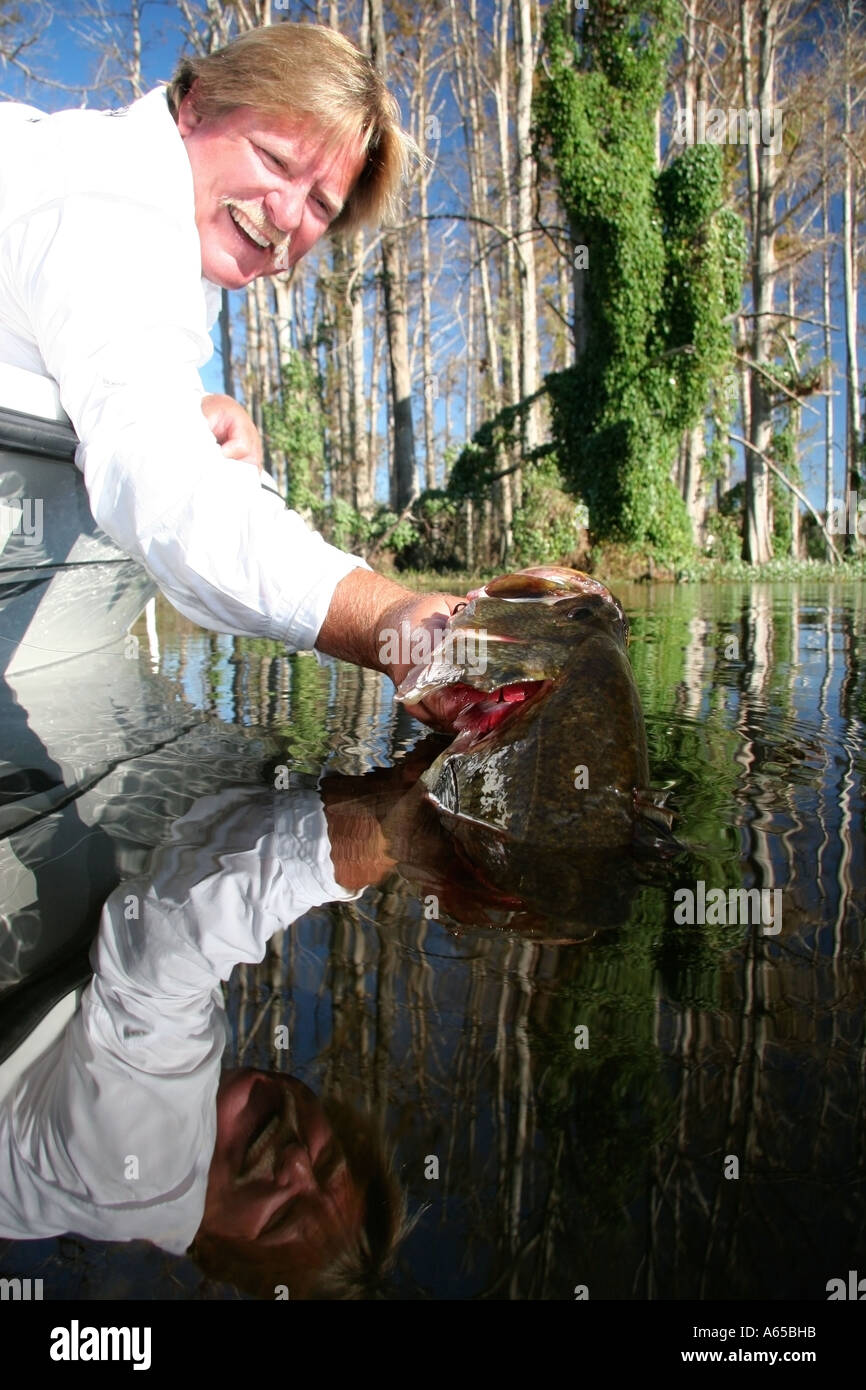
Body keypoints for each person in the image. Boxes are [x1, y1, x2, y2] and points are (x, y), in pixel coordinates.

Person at [0, 22, 463, 727]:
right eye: (275, 159)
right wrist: (392, 622)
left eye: (319, 205)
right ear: (197, 104)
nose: (284, 213)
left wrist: (192, 404)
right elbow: (167, 490)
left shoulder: (169, 230)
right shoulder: (106, 196)